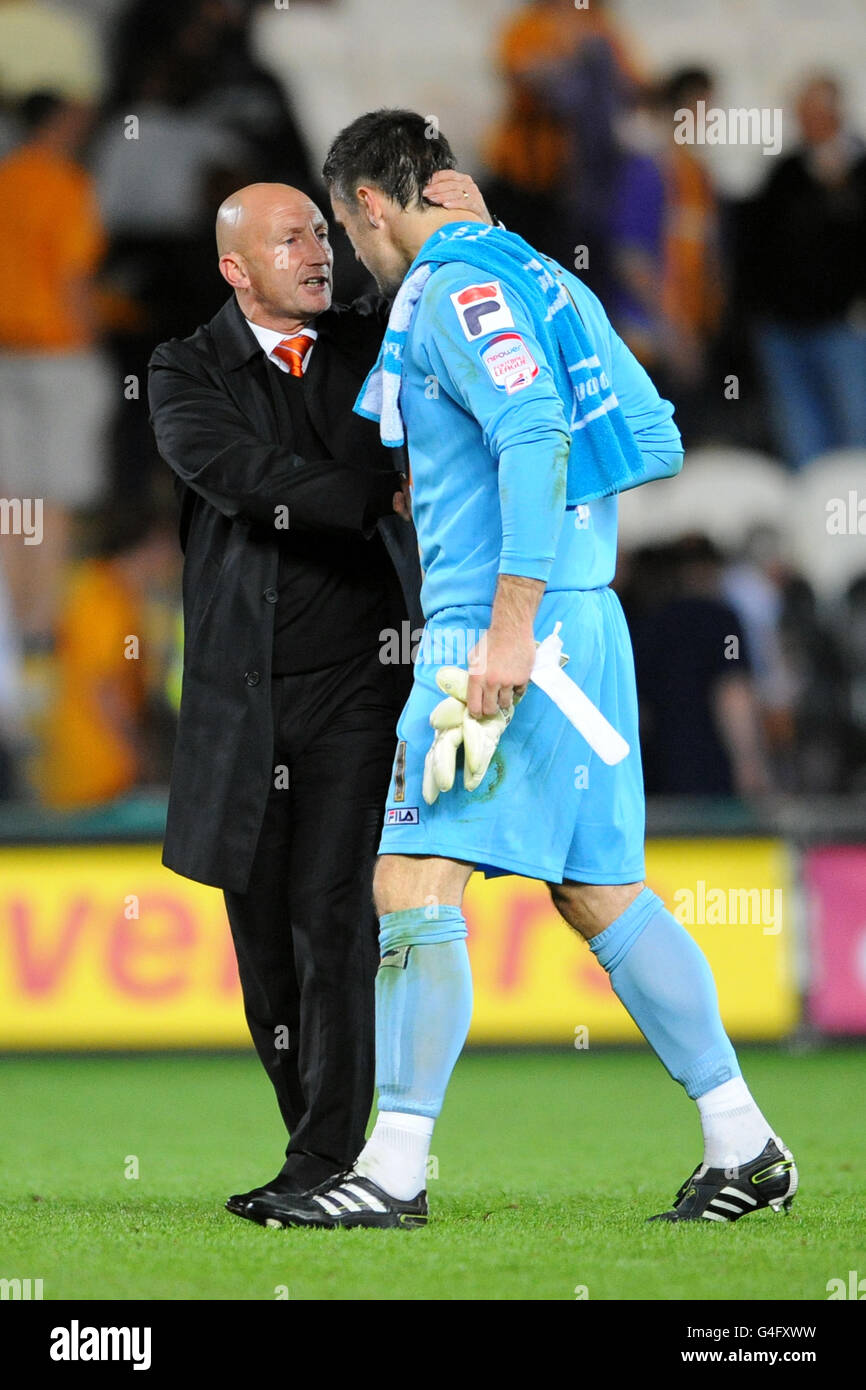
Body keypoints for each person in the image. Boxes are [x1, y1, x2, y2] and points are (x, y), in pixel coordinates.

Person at [254, 109, 799, 1230]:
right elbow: (648, 435)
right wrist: (506, 509)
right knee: (600, 892)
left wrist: (506, 614)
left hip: (496, 636)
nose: (355, 257)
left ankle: (392, 1173)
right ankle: (742, 1142)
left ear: (370, 203)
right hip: (585, 620)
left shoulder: (453, 288)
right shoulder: (549, 282)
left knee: (409, 881)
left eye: (352, 233)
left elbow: (533, 429)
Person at [148, 168, 490, 1223]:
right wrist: (365, 492)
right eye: (290, 239)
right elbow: (240, 474)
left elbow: (442, 384)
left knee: (337, 922)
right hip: (241, 699)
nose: (316, 252)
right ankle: (324, 1146)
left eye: (320, 235)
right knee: (265, 957)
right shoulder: (181, 369)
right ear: (233, 266)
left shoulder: (370, 343)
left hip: (359, 681)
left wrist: (477, 236)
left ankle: (344, 1164)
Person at [744, 74, 866, 469]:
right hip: (784, 326)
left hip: (843, 325)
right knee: (799, 433)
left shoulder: (859, 170)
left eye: (818, 111)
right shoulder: (786, 173)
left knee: (852, 426)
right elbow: (760, 246)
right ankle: (813, 518)